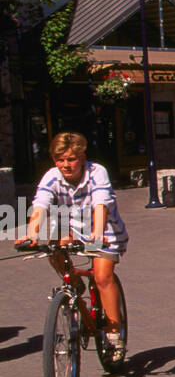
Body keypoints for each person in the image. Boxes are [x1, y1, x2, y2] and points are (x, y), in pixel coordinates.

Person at [17, 132, 129, 365]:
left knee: (102, 276)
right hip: (73, 230)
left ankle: (114, 334)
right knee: (50, 242)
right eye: (60, 160)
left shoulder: (96, 172)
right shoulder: (51, 177)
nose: (65, 165)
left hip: (105, 230)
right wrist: (30, 233)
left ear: (82, 157)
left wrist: (97, 233)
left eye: (71, 159)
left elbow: (101, 203)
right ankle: (74, 286)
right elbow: (41, 204)